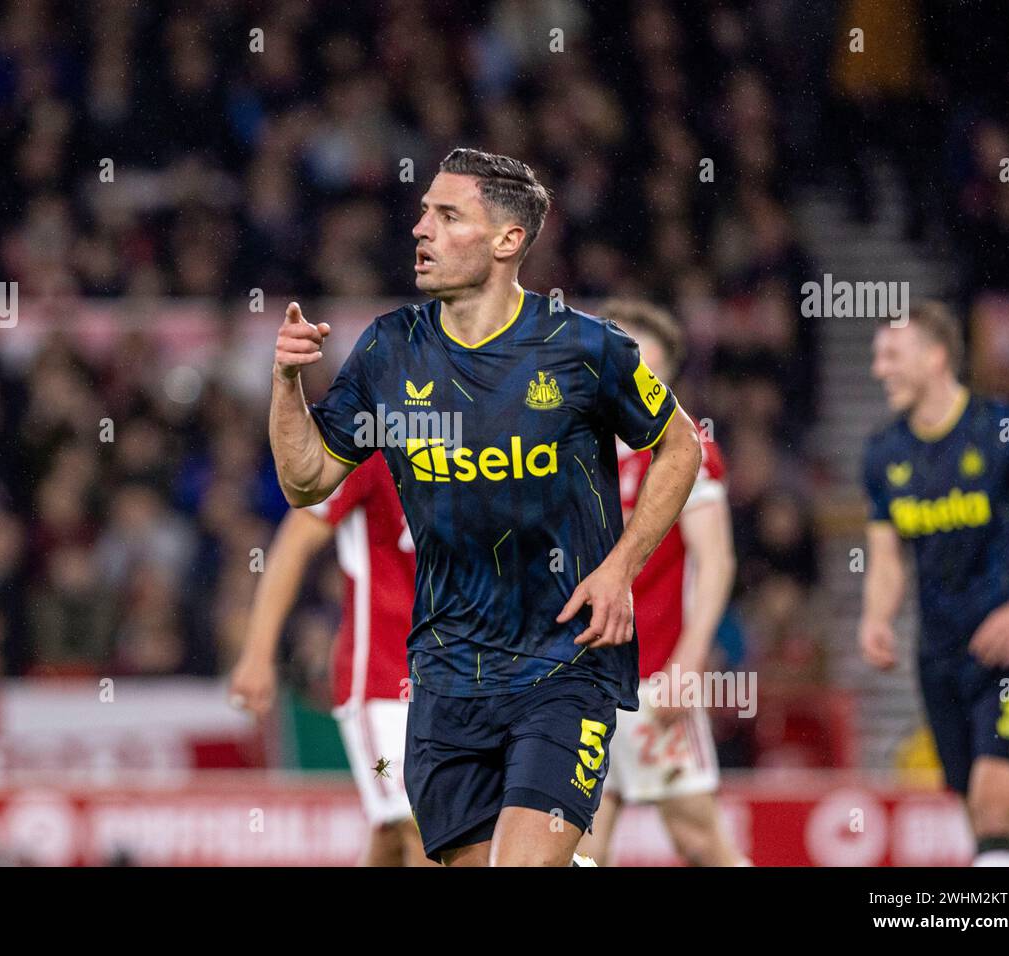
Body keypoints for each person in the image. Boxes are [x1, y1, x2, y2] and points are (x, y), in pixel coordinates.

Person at [268, 147, 702, 866]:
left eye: (446, 215)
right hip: (444, 673)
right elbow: (306, 480)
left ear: (507, 241)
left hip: (565, 663)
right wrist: (287, 384)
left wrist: (621, 566)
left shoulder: (583, 348)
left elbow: (679, 446)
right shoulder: (388, 349)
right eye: (422, 212)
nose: (419, 229)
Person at [860, 300, 1009, 866]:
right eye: (875, 357)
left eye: (892, 354)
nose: (879, 369)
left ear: (936, 355)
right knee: (984, 819)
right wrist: (876, 617)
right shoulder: (883, 454)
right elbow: (887, 556)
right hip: (941, 658)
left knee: (994, 806)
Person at [576, 299, 748, 866]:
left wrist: (690, 661)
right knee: (581, 843)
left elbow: (717, 559)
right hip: (577, 677)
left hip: (654, 675)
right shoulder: (566, 445)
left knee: (698, 837)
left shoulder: (683, 446)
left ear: (666, 376)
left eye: (641, 361)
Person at [229, 453, 430, 866]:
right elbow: (297, 537)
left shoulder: (487, 439)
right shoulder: (371, 447)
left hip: (467, 676)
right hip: (384, 681)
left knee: (398, 831)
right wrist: (257, 653)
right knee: (421, 825)